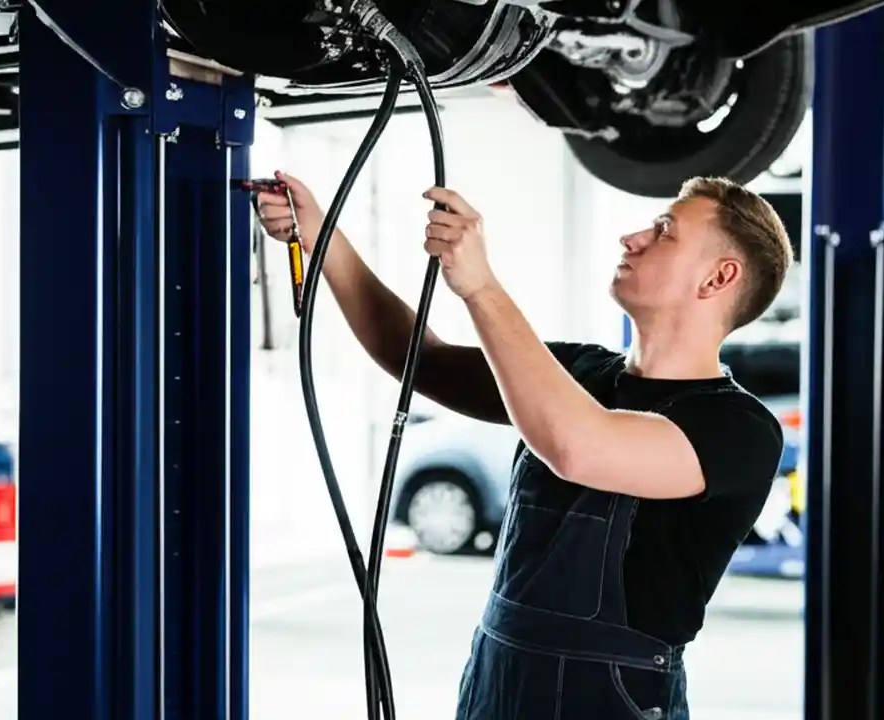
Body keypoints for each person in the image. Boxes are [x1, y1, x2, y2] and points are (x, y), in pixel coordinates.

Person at [255, 170, 790, 719]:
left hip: (608, 700)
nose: (633, 239)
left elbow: (578, 446)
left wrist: (481, 286)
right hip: (497, 679)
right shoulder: (577, 370)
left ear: (717, 278)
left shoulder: (738, 428)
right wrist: (322, 236)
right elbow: (421, 359)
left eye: (664, 231)